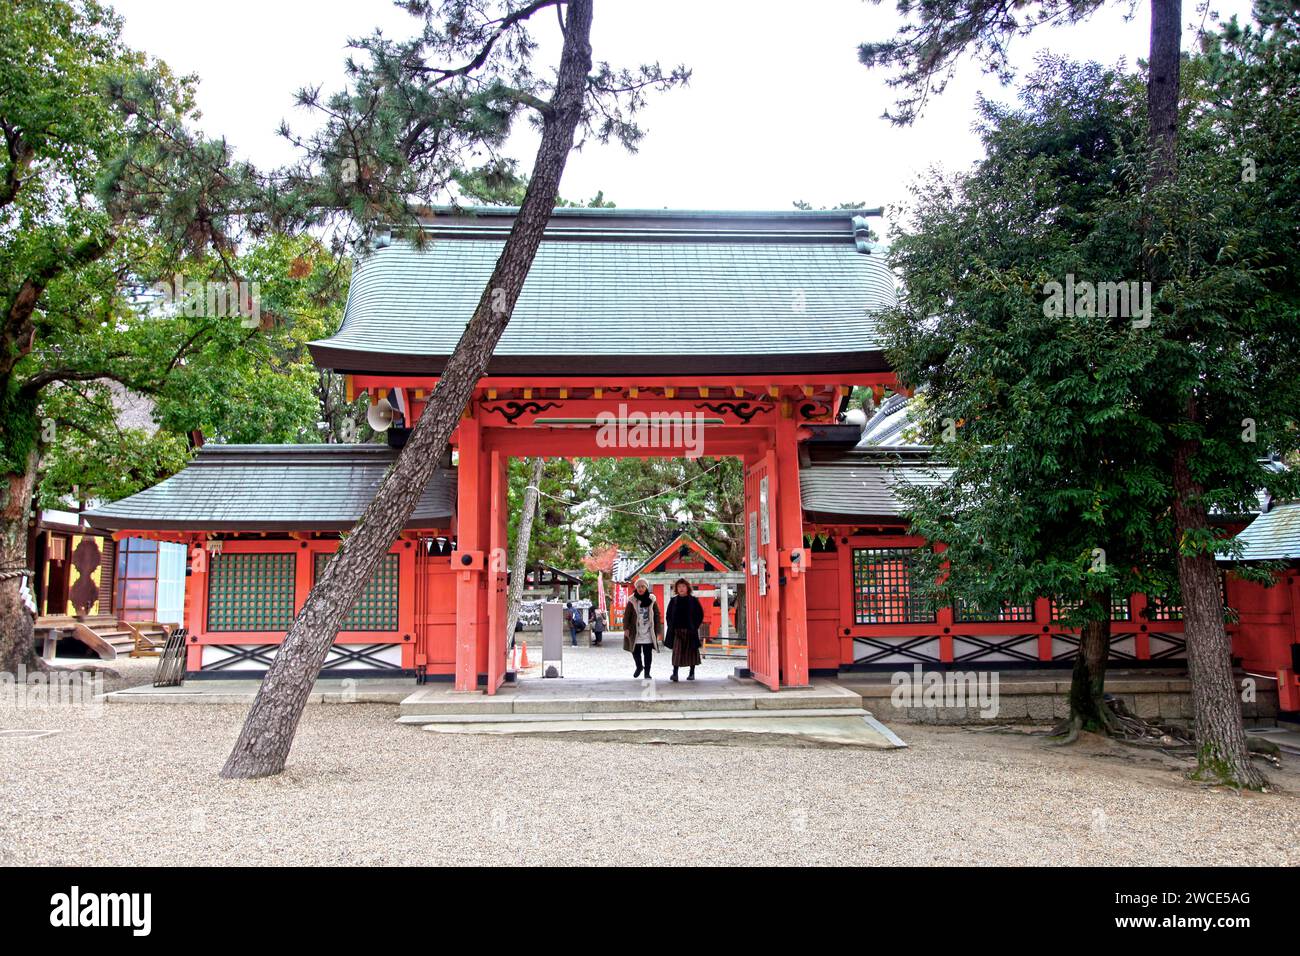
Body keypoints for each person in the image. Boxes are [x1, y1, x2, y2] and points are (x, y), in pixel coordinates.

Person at [664, 577, 704, 682]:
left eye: (683, 586)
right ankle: (675, 673)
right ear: (676, 589)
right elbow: (668, 615)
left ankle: (692, 673)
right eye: (679, 587)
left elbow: (700, 614)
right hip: (677, 630)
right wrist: (671, 625)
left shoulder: (693, 600)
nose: (681, 588)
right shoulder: (674, 601)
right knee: (676, 652)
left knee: (692, 652)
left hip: (690, 630)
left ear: (687, 588)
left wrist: (695, 626)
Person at [623, 578, 662, 679]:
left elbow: (657, 615)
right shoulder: (632, 600)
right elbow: (626, 615)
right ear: (636, 588)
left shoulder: (652, 599)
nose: (640, 588)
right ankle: (639, 666)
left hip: (648, 630)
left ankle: (647, 672)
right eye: (638, 587)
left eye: (642, 586)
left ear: (646, 587)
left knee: (647, 653)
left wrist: (658, 630)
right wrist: (626, 628)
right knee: (635, 651)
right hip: (635, 630)